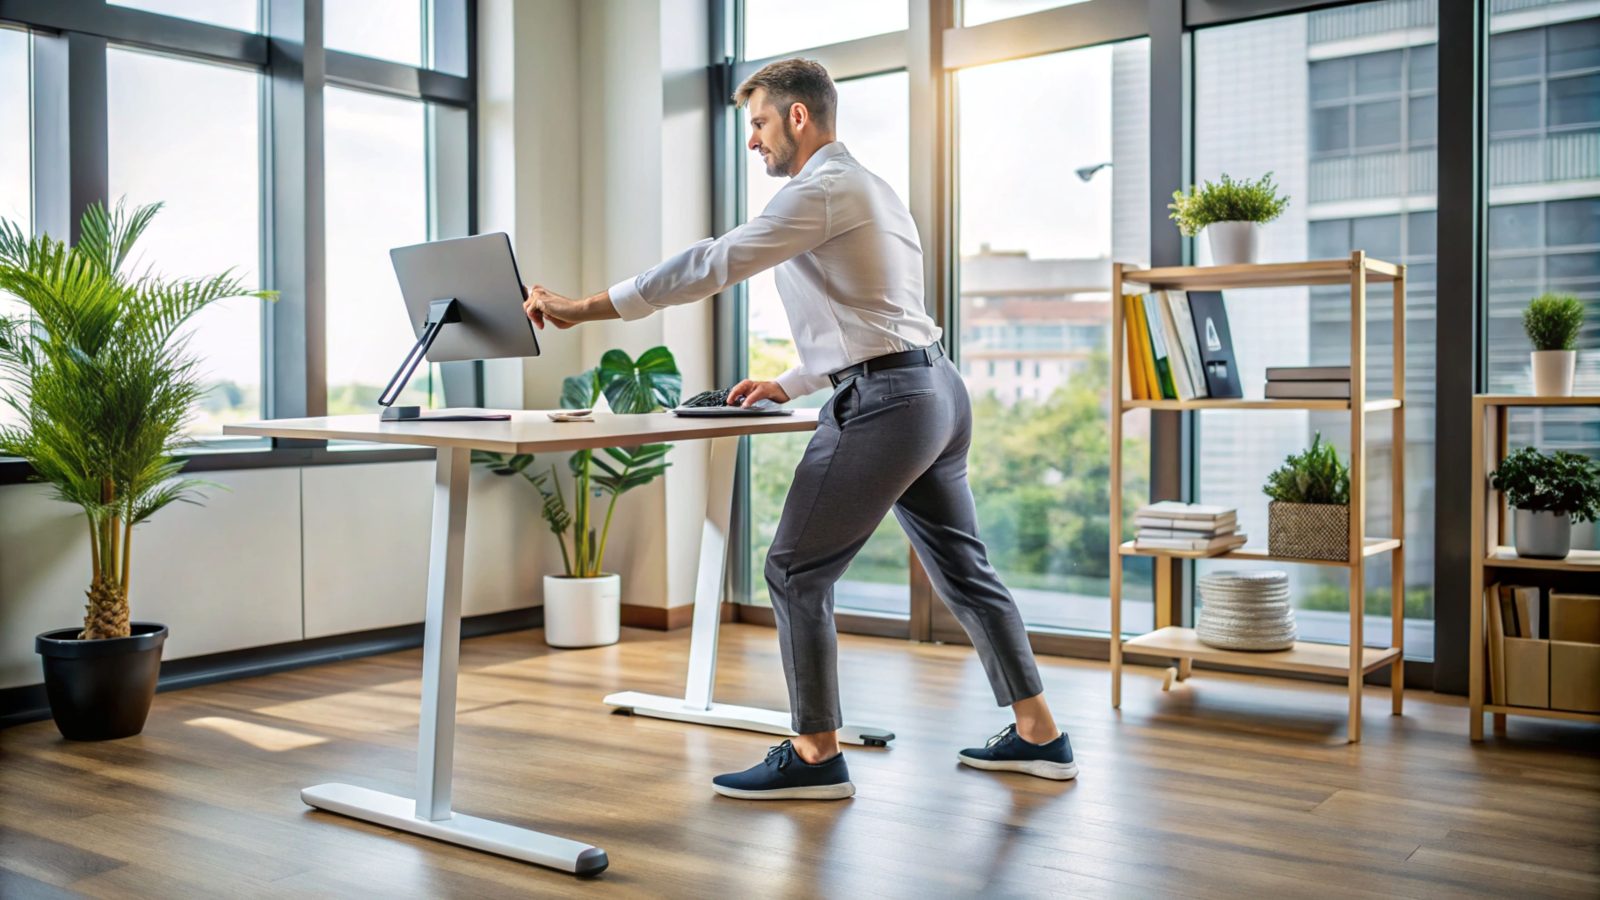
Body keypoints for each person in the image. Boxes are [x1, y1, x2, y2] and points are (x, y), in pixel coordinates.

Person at [522, 58, 1076, 800]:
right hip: (933, 387)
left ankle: (816, 754)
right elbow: (873, 316)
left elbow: (713, 263)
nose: (752, 141)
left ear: (798, 117)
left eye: (757, 123)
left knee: (792, 570)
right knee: (965, 572)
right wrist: (789, 382)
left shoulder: (822, 189)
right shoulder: (863, 187)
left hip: (890, 402)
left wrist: (584, 307)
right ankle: (1041, 735)